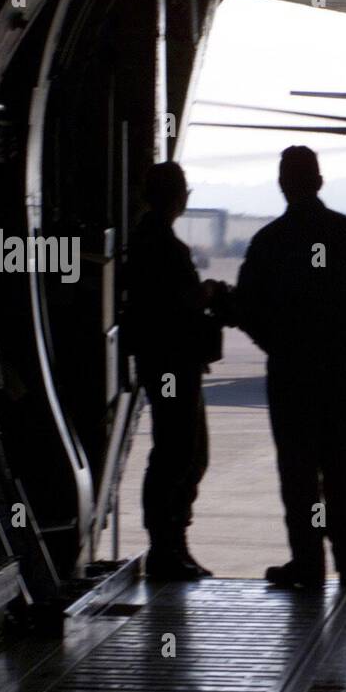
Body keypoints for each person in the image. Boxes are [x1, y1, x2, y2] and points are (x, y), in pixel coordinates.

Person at [235, 146, 346, 593]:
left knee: (300, 474)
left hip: (293, 376)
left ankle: (308, 563)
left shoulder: (270, 241)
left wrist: (280, 344)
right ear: (319, 181)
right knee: (343, 469)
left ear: (283, 183)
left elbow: (248, 308)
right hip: (341, 374)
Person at [123, 161, 228, 580]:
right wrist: (205, 294)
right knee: (177, 451)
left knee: (184, 451)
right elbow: (170, 304)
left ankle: (172, 544)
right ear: (175, 196)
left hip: (169, 360)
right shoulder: (161, 244)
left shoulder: (153, 239)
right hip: (170, 363)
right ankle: (165, 548)